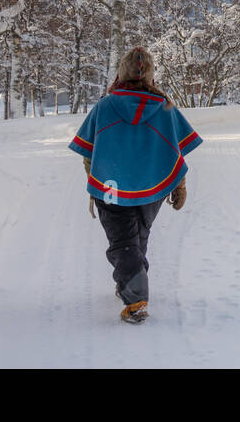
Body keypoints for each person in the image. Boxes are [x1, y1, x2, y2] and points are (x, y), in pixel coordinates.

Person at [69, 46, 200, 323]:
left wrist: (94, 179)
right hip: (152, 188)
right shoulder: (164, 108)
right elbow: (175, 152)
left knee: (123, 243)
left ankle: (136, 298)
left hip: (111, 188)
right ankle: (131, 282)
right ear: (150, 76)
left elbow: (88, 152)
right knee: (137, 239)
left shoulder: (105, 107)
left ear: (122, 72)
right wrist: (179, 186)